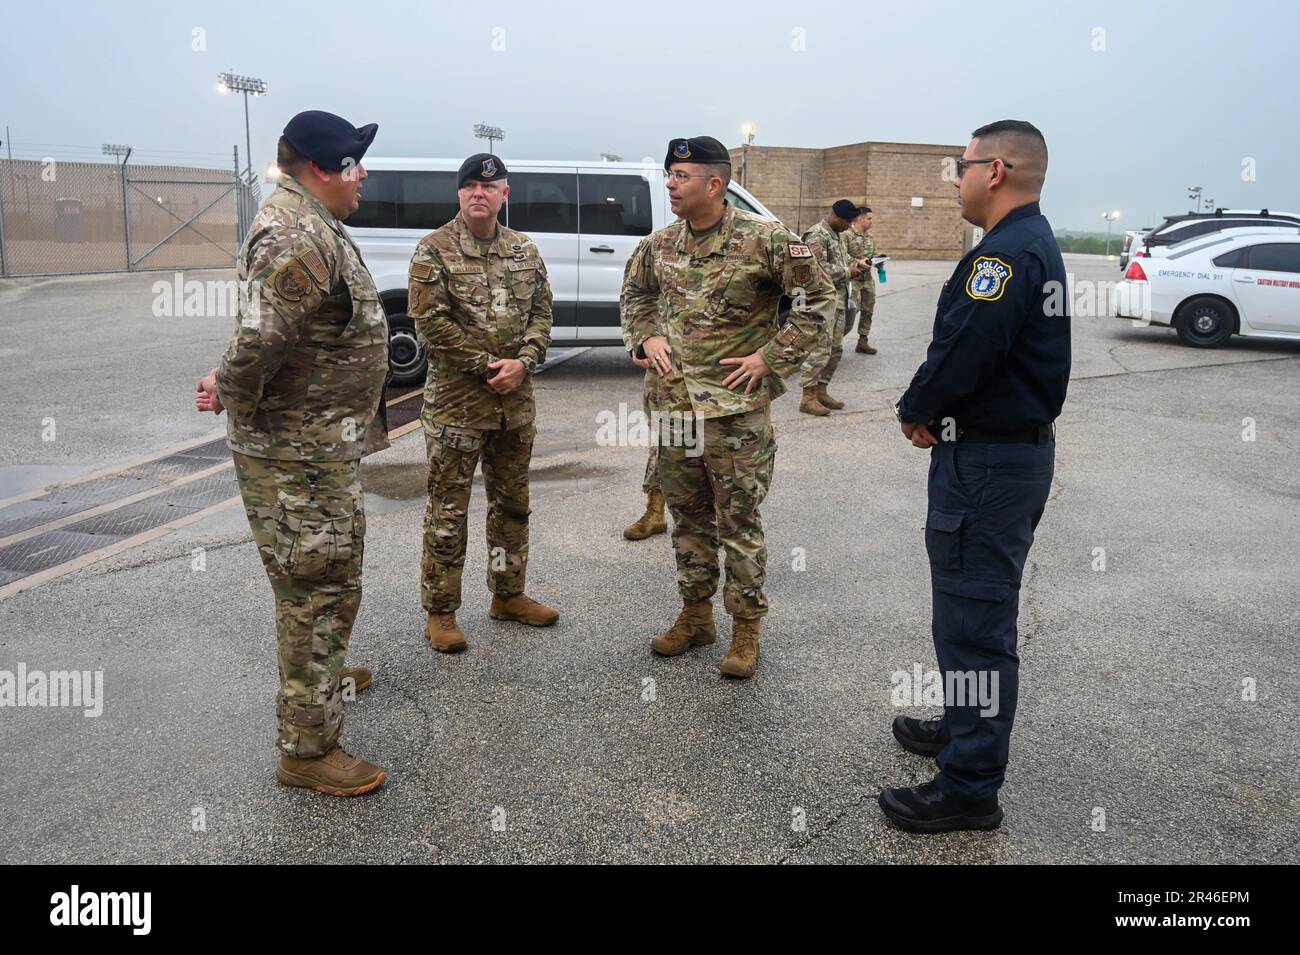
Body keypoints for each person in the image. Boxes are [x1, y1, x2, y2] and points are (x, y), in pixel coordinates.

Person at [880, 120, 1070, 833]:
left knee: (976, 623)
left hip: (987, 464)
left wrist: (917, 406)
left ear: (994, 170)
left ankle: (970, 785)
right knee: (966, 614)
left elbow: (968, 348)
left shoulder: (1008, 254)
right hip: (998, 456)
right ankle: (964, 730)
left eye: (958, 167)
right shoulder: (1022, 242)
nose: (953, 178)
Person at [195, 110, 390, 797]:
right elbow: (259, 340)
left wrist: (226, 382)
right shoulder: (296, 233)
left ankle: (324, 682)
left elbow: (267, 336)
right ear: (319, 169)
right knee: (314, 587)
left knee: (335, 575)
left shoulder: (312, 220)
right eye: (353, 164)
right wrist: (230, 389)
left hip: (317, 446)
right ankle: (307, 749)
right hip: (295, 453)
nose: (362, 175)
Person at [621, 136, 836, 679]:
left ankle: (745, 631)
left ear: (714, 185)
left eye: (681, 175)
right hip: (673, 406)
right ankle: (696, 617)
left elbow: (818, 300)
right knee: (688, 518)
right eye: (669, 174)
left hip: (734, 411)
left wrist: (772, 357)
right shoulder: (659, 244)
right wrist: (646, 338)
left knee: (737, 520)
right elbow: (635, 295)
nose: (670, 183)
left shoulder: (766, 240)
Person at [409, 153, 558, 654]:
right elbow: (430, 324)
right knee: (448, 511)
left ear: (504, 195)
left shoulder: (524, 250)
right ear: (459, 194)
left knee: (512, 506)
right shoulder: (433, 251)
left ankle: (507, 594)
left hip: (515, 406)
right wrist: (486, 365)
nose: (479, 193)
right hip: (457, 406)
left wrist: (525, 361)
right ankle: (442, 612)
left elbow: (543, 312)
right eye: (470, 185)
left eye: (489, 187)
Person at [797, 199, 856, 415]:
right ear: (835, 215)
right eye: (847, 221)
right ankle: (808, 397)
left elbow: (843, 260)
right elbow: (816, 270)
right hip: (820, 303)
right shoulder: (816, 235)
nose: (849, 226)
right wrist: (850, 272)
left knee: (835, 350)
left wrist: (858, 263)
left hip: (837, 301)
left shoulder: (836, 235)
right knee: (819, 350)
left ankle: (822, 390)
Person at [623, 345, 668, 541]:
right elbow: (632, 313)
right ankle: (655, 512)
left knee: (706, 439)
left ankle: (717, 516)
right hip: (662, 362)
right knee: (661, 440)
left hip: (709, 363)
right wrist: (637, 345)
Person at [843, 206, 883, 354]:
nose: (871, 222)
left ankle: (862, 341)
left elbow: (873, 254)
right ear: (860, 218)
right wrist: (857, 262)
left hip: (867, 279)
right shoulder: (846, 235)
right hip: (852, 280)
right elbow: (841, 255)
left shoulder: (870, 237)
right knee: (849, 311)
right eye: (869, 218)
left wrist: (879, 260)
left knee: (868, 310)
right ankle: (835, 343)